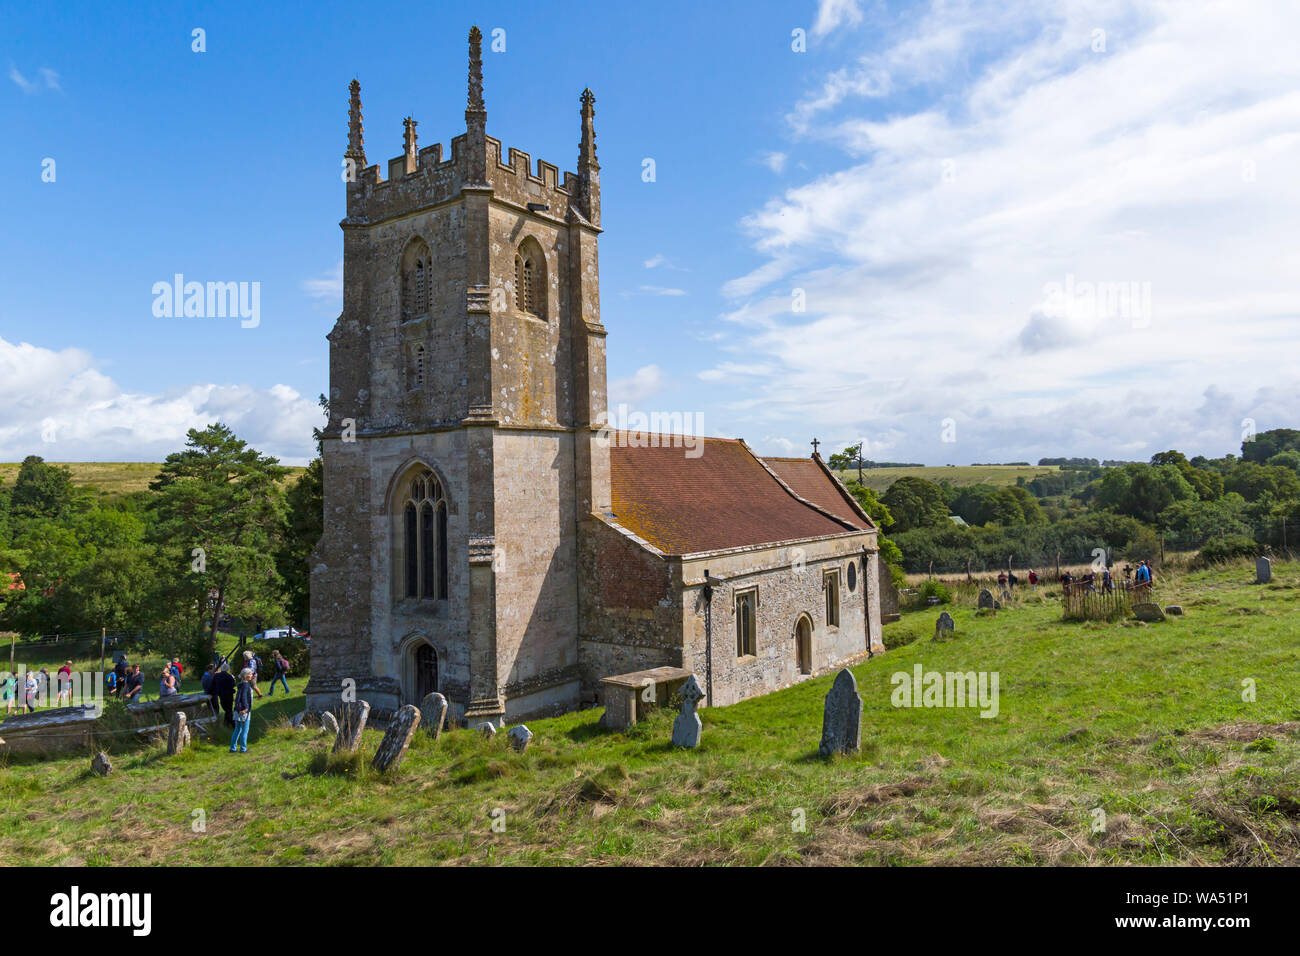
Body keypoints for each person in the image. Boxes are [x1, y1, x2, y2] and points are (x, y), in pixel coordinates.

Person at [230, 667, 254, 753]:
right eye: (250, 674)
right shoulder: (246, 685)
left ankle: (233, 748)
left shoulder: (241, 684)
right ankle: (243, 749)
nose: (252, 675)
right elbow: (244, 698)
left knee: (237, 729)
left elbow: (238, 698)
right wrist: (246, 708)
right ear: (245, 675)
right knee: (244, 731)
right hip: (244, 711)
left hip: (237, 710)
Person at [212, 662, 236, 727]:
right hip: (229, 694)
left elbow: (213, 684)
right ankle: (233, 723)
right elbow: (233, 685)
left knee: (226, 709)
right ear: (227, 669)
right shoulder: (229, 676)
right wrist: (234, 680)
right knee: (229, 709)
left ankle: (226, 723)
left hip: (221, 694)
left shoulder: (216, 676)